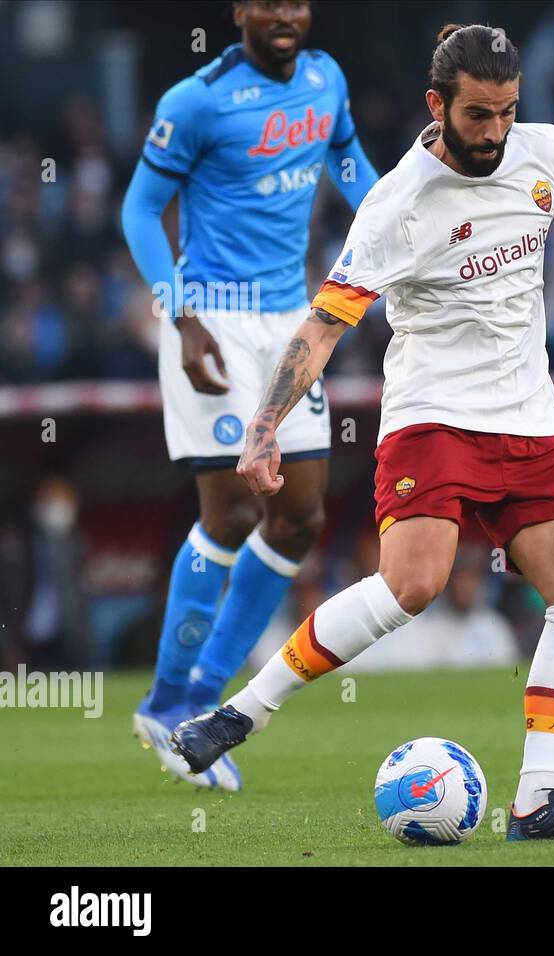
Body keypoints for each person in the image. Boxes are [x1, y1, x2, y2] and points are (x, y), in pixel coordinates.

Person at [172, 23, 554, 841]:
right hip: (433, 417)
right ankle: (243, 713)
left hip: (531, 417)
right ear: (438, 105)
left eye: (506, 111)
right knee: (414, 584)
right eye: (478, 115)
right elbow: (325, 324)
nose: (495, 132)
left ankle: (541, 798)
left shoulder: (543, 152)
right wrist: (265, 422)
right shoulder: (398, 205)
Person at [120, 0, 379, 790]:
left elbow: (353, 173)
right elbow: (138, 209)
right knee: (231, 509)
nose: (284, 15)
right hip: (215, 319)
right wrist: (179, 314)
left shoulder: (327, 80)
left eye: (296, 2)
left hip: (293, 319)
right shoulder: (194, 101)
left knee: (300, 517)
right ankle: (169, 702)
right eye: (267, 2)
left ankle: (203, 702)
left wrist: (413, 222)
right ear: (240, 12)